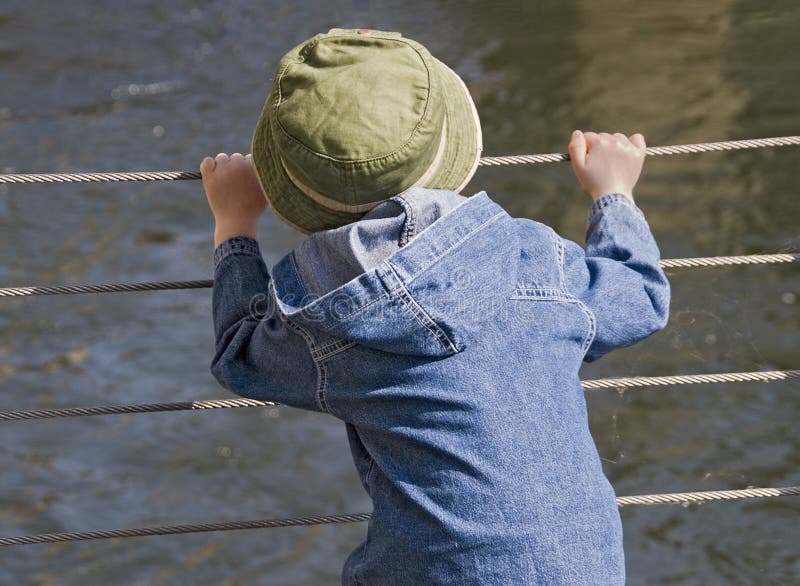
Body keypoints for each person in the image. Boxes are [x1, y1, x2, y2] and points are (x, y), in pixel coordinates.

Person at [201, 28, 669, 586]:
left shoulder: (325, 325)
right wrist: (612, 194)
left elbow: (239, 355)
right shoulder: (534, 261)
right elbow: (639, 295)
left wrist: (234, 227)